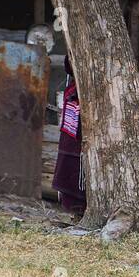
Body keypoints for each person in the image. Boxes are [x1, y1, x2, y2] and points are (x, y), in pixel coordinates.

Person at [53, 55, 86, 217]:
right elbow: (69, 65)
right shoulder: (72, 90)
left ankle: (81, 207)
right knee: (70, 160)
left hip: (87, 106)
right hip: (76, 102)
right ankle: (74, 208)